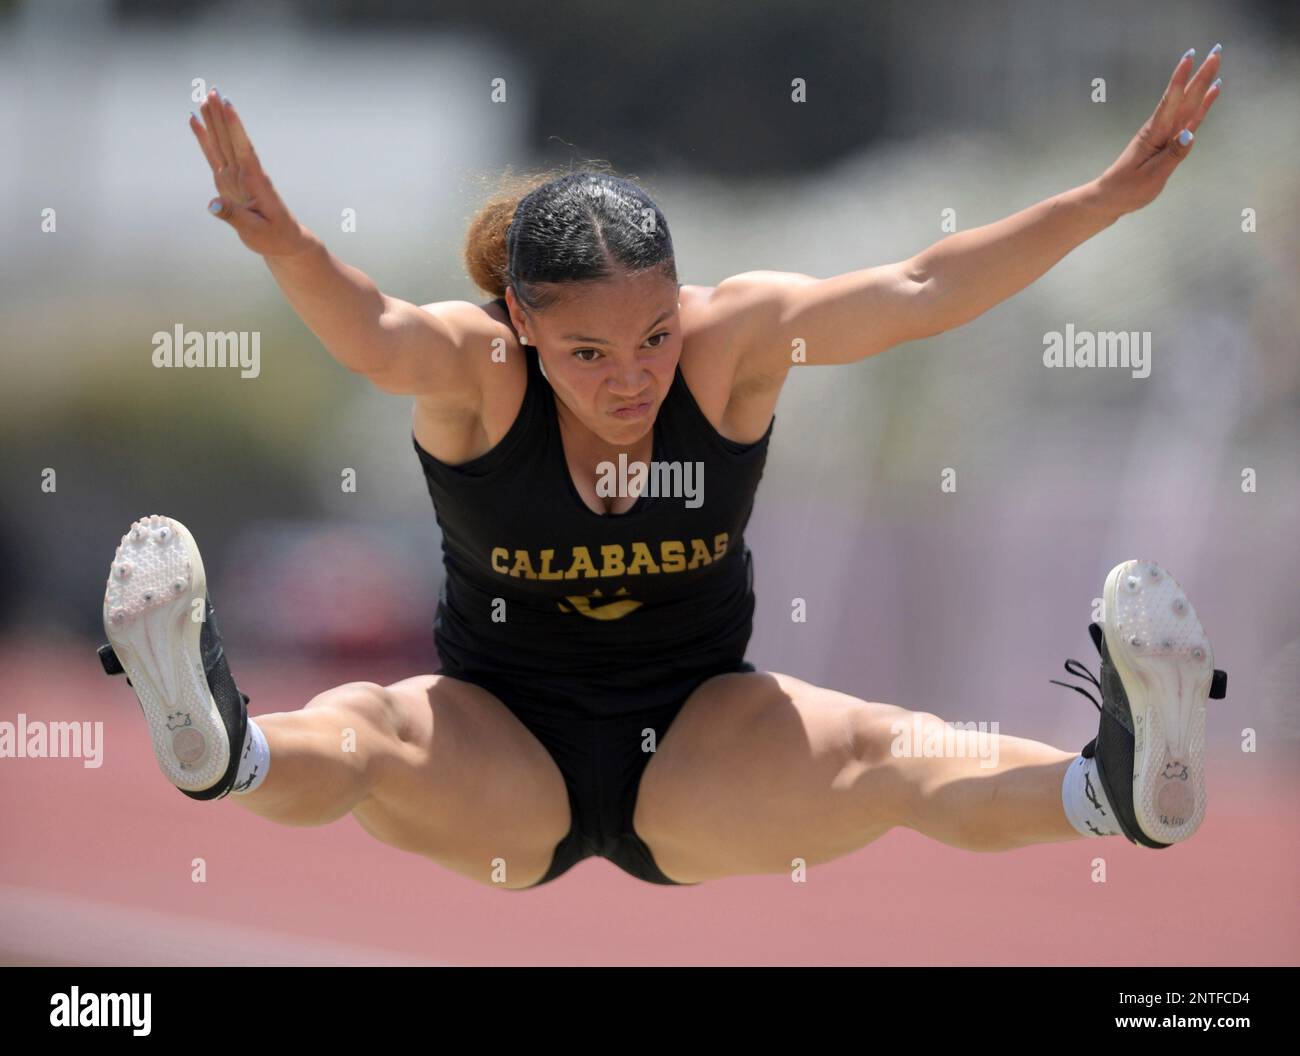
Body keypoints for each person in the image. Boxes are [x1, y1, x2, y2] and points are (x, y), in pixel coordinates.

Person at [98, 48, 1227, 889]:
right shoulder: (481, 373)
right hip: (500, 748)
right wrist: (289, 246)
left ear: (682, 301)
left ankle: (1115, 790)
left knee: (894, 752)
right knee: (369, 732)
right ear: (523, 329)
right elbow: (377, 330)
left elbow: (923, 289)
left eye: (651, 339)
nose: (631, 378)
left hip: (700, 744)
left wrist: (1101, 198)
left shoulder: (734, 343)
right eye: (587, 354)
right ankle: (221, 746)